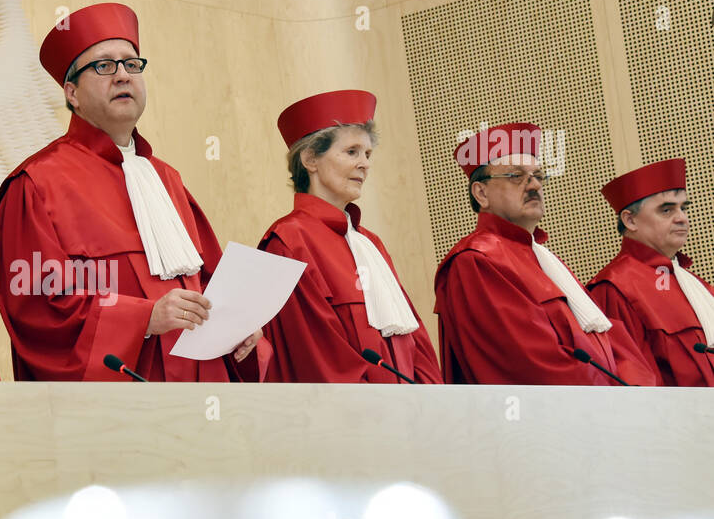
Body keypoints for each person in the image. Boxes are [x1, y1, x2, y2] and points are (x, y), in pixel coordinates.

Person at [0, 2, 266, 381]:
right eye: (104, 66)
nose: (122, 75)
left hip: (205, 390)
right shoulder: (37, 184)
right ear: (71, 92)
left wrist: (239, 326)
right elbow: (38, 308)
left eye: (132, 64)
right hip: (125, 396)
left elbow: (213, 283)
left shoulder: (167, 179)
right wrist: (144, 319)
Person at [434, 122, 654, 386]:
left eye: (538, 175)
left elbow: (612, 339)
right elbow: (531, 365)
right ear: (481, 193)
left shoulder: (544, 259)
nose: (534, 185)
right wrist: (612, 397)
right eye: (516, 176)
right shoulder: (476, 261)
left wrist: (636, 392)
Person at [258, 90, 441, 383]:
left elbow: (414, 335)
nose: (365, 164)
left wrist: (429, 397)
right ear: (310, 159)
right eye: (352, 152)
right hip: (356, 419)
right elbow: (318, 357)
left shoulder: (370, 243)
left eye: (368, 154)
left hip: (411, 415)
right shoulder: (289, 242)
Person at [588, 159, 714, 386]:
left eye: (683, 208)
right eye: (666, 210)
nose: (682, 218)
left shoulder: (696, 285)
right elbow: (637, 383)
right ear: (630, 219)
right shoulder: (614, 287)